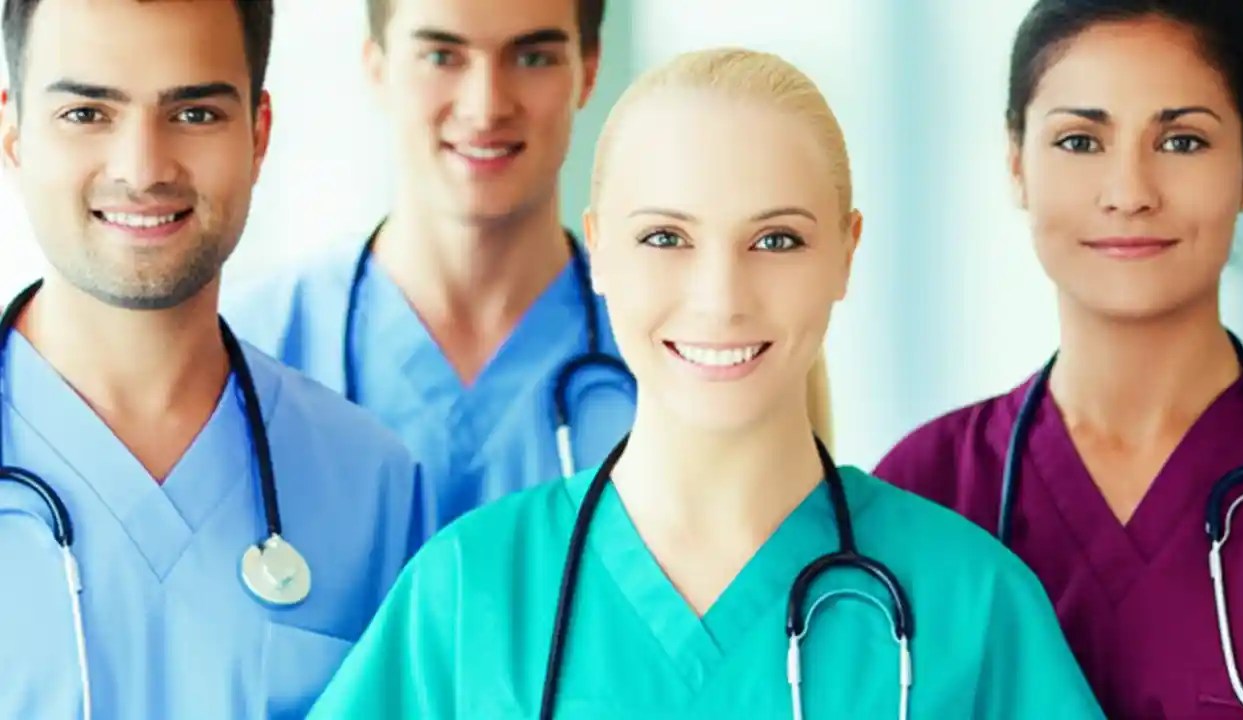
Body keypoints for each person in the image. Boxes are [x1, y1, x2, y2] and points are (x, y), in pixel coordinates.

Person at [306, 47, 1105, 719]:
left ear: (846, 253)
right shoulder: (469, 592)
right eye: (665, 237)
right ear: (600, 252)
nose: (720, 297)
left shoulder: (971, 602)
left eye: (776, 239)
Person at [0, 1, 427, 717]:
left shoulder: (371, 484)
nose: (143, 169)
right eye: (87, 113)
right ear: (13, 132)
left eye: (194, 113)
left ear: (259, 134)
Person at [873, 1, 1243, 717]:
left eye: (1181, 141)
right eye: (1081, 141)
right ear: (1016, 164)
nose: (1129, 194)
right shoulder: (924, 490)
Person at [222, 0, 635, 532]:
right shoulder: (244, 346)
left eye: (533, 58)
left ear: (589, 72)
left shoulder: (665, 356)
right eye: (442, 56)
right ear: (377, 69)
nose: (486, 107)